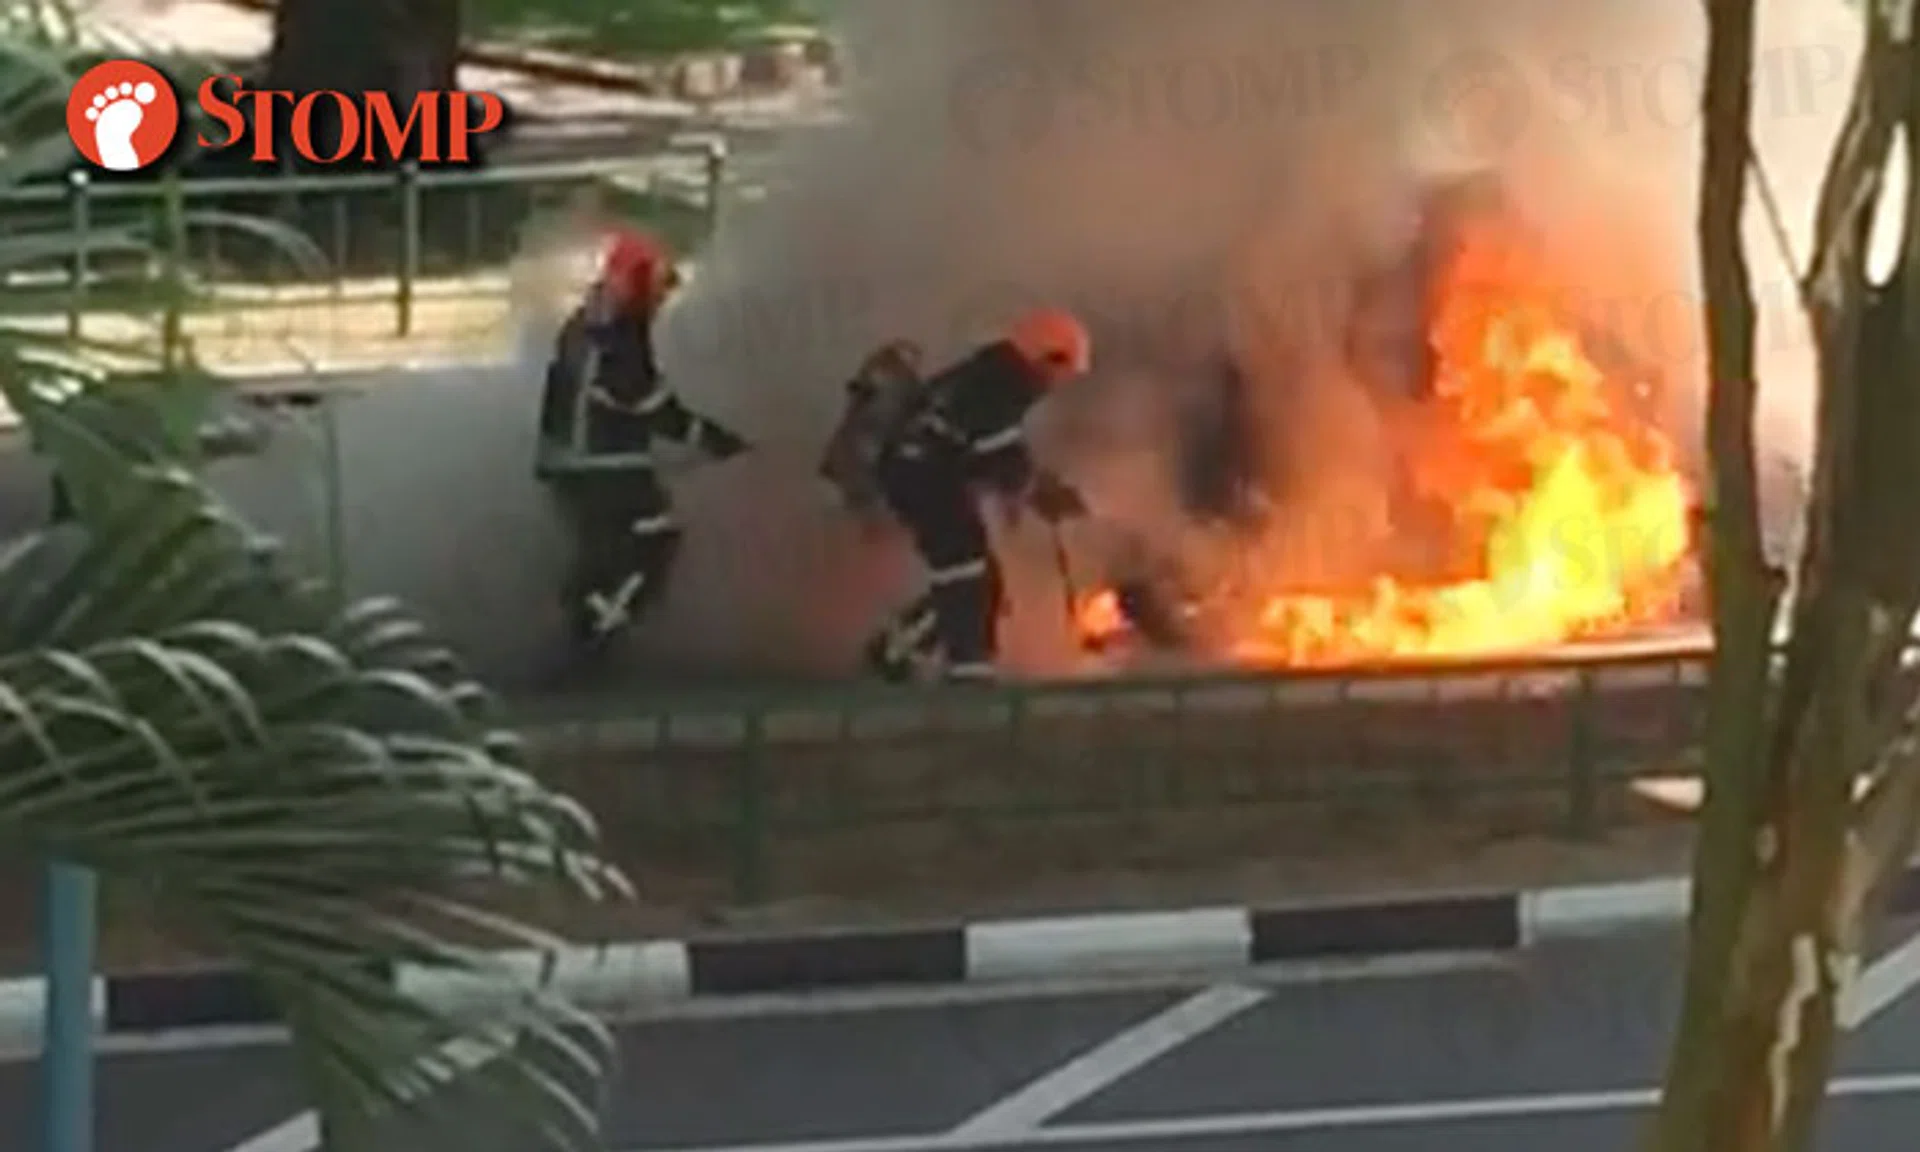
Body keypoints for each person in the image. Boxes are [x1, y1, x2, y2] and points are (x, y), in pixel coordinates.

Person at [536, 226, 750, 658]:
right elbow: (649, 404)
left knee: (600, 553)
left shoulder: (580, 326)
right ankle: (601, 628)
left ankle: (584, 619)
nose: (661, 301)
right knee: (658, 537)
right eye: (657, 288)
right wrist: (714, 440)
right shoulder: (622, 338)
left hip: (564, 465)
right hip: (606, 467)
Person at [862, 308, 1093, 683]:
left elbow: (993, 449)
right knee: (965, 570)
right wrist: (1041, 493)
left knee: (970, 572)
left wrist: (1037, 486)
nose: (1059, 383)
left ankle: (899, 648)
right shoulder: (1003, 385)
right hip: (922, 476)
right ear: (1046, 358)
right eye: (1061, 371)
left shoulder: (989, 374)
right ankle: (967, 672)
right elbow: (999, 457)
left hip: (919, 471)